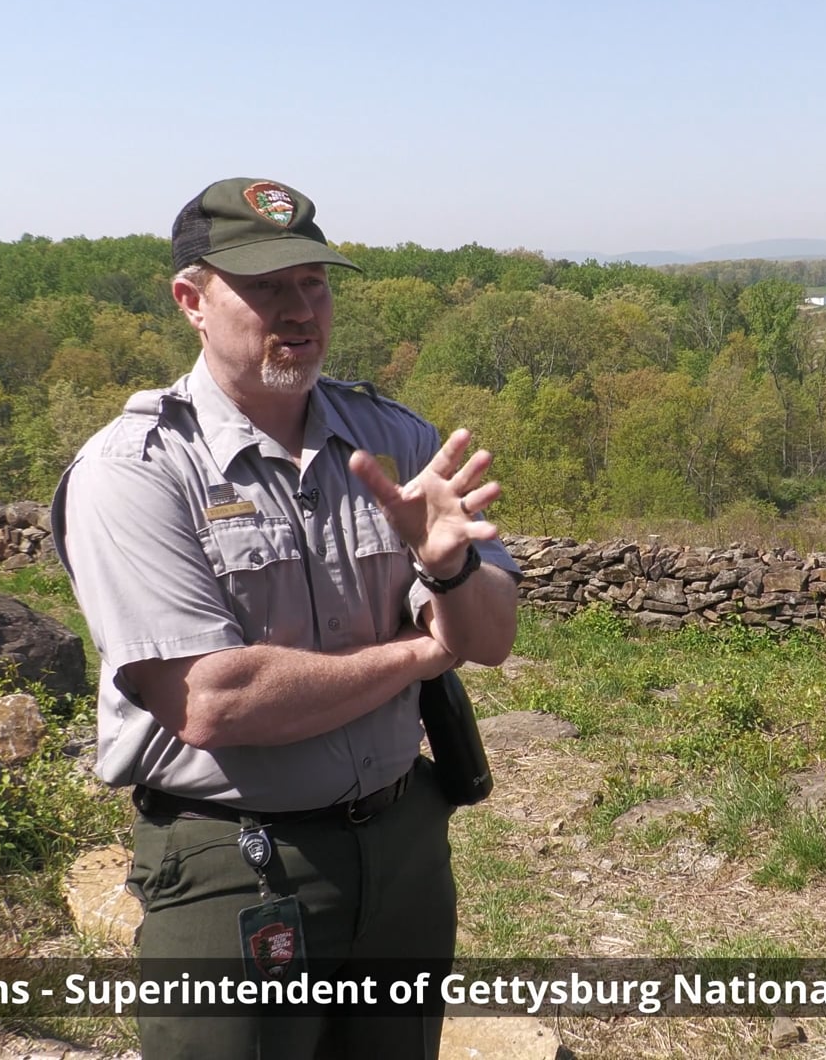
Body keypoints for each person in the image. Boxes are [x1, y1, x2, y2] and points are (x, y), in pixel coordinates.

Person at [51, 177, 520, 1059]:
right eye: (266, 287)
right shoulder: (137, 469)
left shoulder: (393, 441)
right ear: (191, 299)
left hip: (402, 847)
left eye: (315, 282)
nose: (300, 311)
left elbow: (490, 641)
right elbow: (214, 702)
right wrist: (423, 654)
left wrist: (451, 566)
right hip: (234, 864)